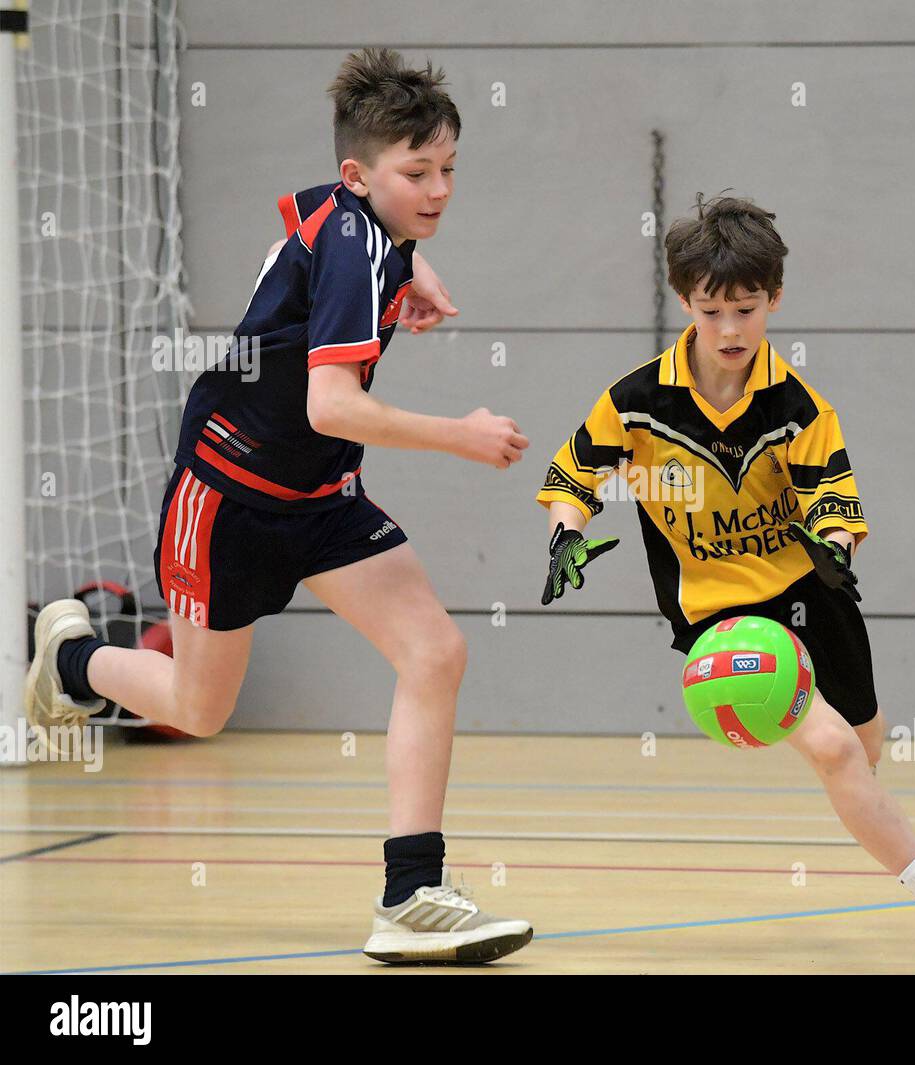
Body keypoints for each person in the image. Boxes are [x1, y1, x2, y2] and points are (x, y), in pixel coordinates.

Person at [25, 47, 533, 965]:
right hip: (229, 498)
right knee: (198, 707)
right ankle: (73, 663)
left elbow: (301, 210)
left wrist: (405, 269)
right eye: (416, 173)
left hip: (321, 494)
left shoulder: (355, 218)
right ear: (363, 173)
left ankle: (411, 892)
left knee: (435, 650)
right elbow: (330, 404)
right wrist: (460, 432)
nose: (438, 189)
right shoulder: (357, 242)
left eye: (448, 168)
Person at [537, 194, 915, 964]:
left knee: (863, 742)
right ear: (683, 303)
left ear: (775, 298)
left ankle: (874, 818)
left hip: (809, 591)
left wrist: (835, 545)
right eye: (711, 310)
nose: (730, 330)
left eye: (747, 307)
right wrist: (566, 532)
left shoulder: (799, 407)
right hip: (718, 613)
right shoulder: (636, 402)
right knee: (833, 749)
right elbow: (576, 473)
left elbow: (833, 500)